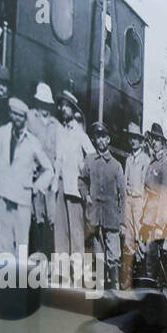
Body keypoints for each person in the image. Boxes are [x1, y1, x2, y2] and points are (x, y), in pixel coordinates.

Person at [0, 97, 53, 256]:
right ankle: (2, 277)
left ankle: (18, 278)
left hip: (22, 199)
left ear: (25, 118)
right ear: (10, 114)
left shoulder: (33, 142)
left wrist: (37, 187)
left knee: (21, 243)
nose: (17, 118)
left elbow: (49, 169)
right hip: (3, 195)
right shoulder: (2, 133)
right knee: (3, 241)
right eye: (14, 114)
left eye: (20, 116)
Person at [78, 121, 123, 291]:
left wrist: (122, 221)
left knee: (113, 255)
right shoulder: (89, 160)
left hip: (111, 217)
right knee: (98, 254)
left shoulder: (116, 165)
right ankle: (99, 288)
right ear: (94, 140)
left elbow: (123, 196)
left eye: (104, 137)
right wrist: (86, 195)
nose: (101, 141)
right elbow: (81, 181)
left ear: (109, 139)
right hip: (95, 216)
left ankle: (115, 287)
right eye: (98, 137)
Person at [51, 89, 93, 256]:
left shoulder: (80, 134)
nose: (62, 109)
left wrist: (83, 175)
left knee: (76, 231)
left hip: (74, 187)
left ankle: (77, 273)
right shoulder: (62, 132)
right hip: (61, 184)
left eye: (66, 106)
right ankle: (61, 271)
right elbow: (58, 159)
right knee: (60, 228)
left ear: (74, 110)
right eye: (61, 106)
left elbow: (91, 157)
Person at [25, 81, 60, 255]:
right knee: (35, 213)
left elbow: (59, 153)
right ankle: (35, 251)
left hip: (50, 176)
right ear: (37, 103)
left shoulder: (56, 125)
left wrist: (55, 177)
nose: (44, 107)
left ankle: (48, 254)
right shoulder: (30, 118)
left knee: (51, 216)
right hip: (34, 173)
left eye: (47, 104)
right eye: (42, 103)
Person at [122, 121, 151, 285]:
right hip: (129, 199)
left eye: (135, 139)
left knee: (140, 237)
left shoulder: (145, 160)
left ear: (141, 141)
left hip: (139, 201)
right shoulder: (128, 160)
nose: (133, 141)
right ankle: (127, 278)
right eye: (131, 138)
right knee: (128, 237)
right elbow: (125, 180)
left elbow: (146, 184)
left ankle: (140, 277)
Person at [139, 122, 167, 244]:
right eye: (152, 139)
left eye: (157, 139)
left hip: (155, 220)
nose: (154, 142)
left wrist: (160, 224)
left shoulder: (165, 164)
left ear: (162, 143)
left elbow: (166, 197)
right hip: (147, 217)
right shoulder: (152, 163)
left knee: (150, 259)